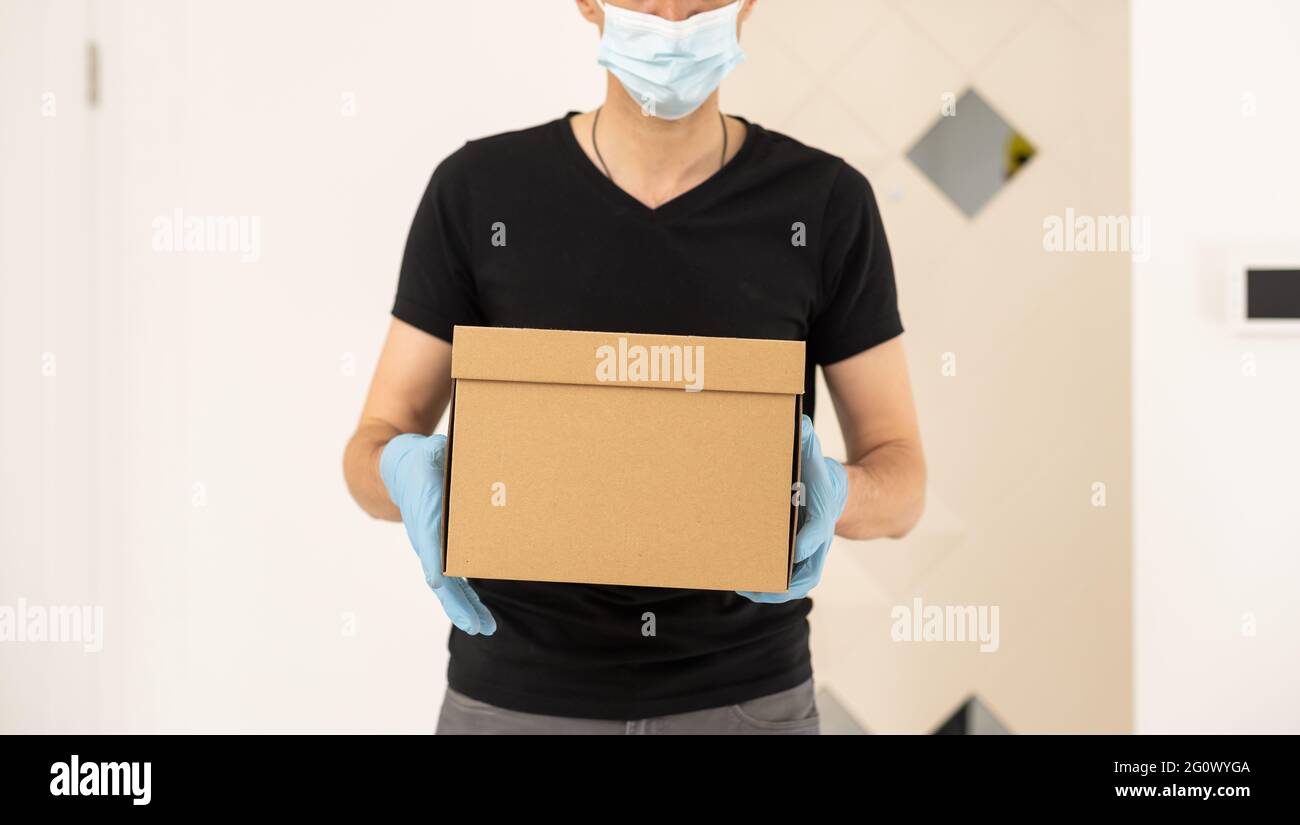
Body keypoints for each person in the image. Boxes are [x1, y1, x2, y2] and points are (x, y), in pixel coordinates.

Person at [342, 0, 926, 735]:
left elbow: (904, 484)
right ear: (587, 2)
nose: (674, 13)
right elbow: (370, 446)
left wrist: (836, 495)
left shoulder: (826, 204)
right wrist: (400, 466)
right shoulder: (476, 192)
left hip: (745, 699)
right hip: (514, 695)